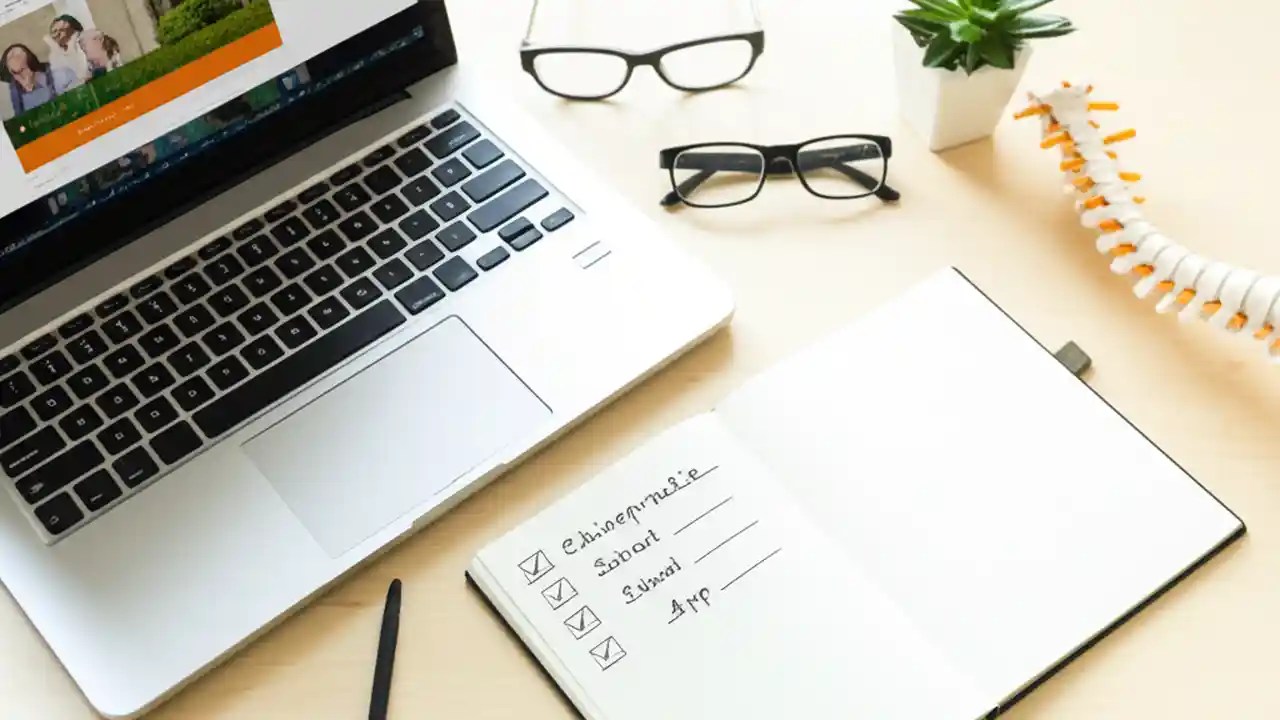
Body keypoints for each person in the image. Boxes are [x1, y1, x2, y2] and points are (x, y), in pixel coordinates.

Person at [1, 44, 77, 116]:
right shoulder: (15, 94)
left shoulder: (62, 76)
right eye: (14, 73)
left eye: (22, 70)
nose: (19, 77)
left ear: (32, 64)